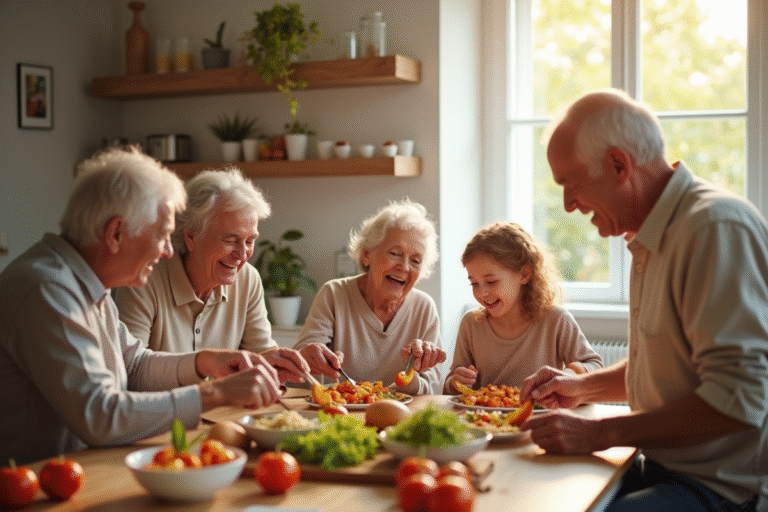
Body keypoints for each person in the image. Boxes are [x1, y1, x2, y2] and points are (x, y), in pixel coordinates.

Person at [519, 89, 768, 511]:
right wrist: (581, 387)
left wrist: (601, 433)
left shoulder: (713, 228)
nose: (568, 205)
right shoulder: (653, 234)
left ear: (619, 165)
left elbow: (738, 399)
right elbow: (670, 365)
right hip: (661, 465)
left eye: (571, 185)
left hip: (721, 489)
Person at [0, 147, 284, 465]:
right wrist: (215, 393)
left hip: (81, 472)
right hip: (31, 483)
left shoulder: (84, 283)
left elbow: (134, 366)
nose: (168, 251)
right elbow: (100, 415)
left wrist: (206, 362)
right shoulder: (47, 288)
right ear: (115, 233)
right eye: (162, 235)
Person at [114, 168, 309, 383]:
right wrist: (203, 367)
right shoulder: (143, 278)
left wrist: (298, 362)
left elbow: (262, 358)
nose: (242, 255)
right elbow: (130, 372)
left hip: (223, 406)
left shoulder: (248, 279)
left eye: (250, 241)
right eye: (230, 240)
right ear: (191, 237)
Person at [293, 199, 447, 395]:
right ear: (367, 254)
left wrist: (412, 373)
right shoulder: (334, 294)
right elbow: (301, 371)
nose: (404, 267)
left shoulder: (424, 308)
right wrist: (311, 359)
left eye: (415, 261)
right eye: (395, 253)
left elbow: (430, 388)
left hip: (399, 411)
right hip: (340, 408)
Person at [443, 222, 602, 394]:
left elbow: (594, 366)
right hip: (485, 411)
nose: (482, 293)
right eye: (474, 283)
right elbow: (449, 390)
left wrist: (567, 375)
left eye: (491, 281)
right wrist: (455, 383)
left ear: (524, 274)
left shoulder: (555, 319)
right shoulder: (471, 323)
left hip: (539, 411)